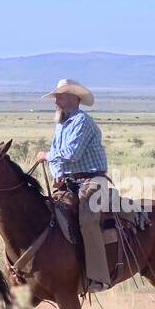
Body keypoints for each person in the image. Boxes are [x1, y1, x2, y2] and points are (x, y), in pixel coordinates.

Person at [35, 79, 111, 292]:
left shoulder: (82, 121)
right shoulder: (61, 124)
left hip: (92, 180)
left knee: (87, 219)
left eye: (59, 96)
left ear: (73, 98)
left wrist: (45, 156)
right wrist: (57, 176)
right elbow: (59, 159)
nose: (55, 101)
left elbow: (70, 154)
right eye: (56, 97)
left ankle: (97, 276)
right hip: (69, 182)